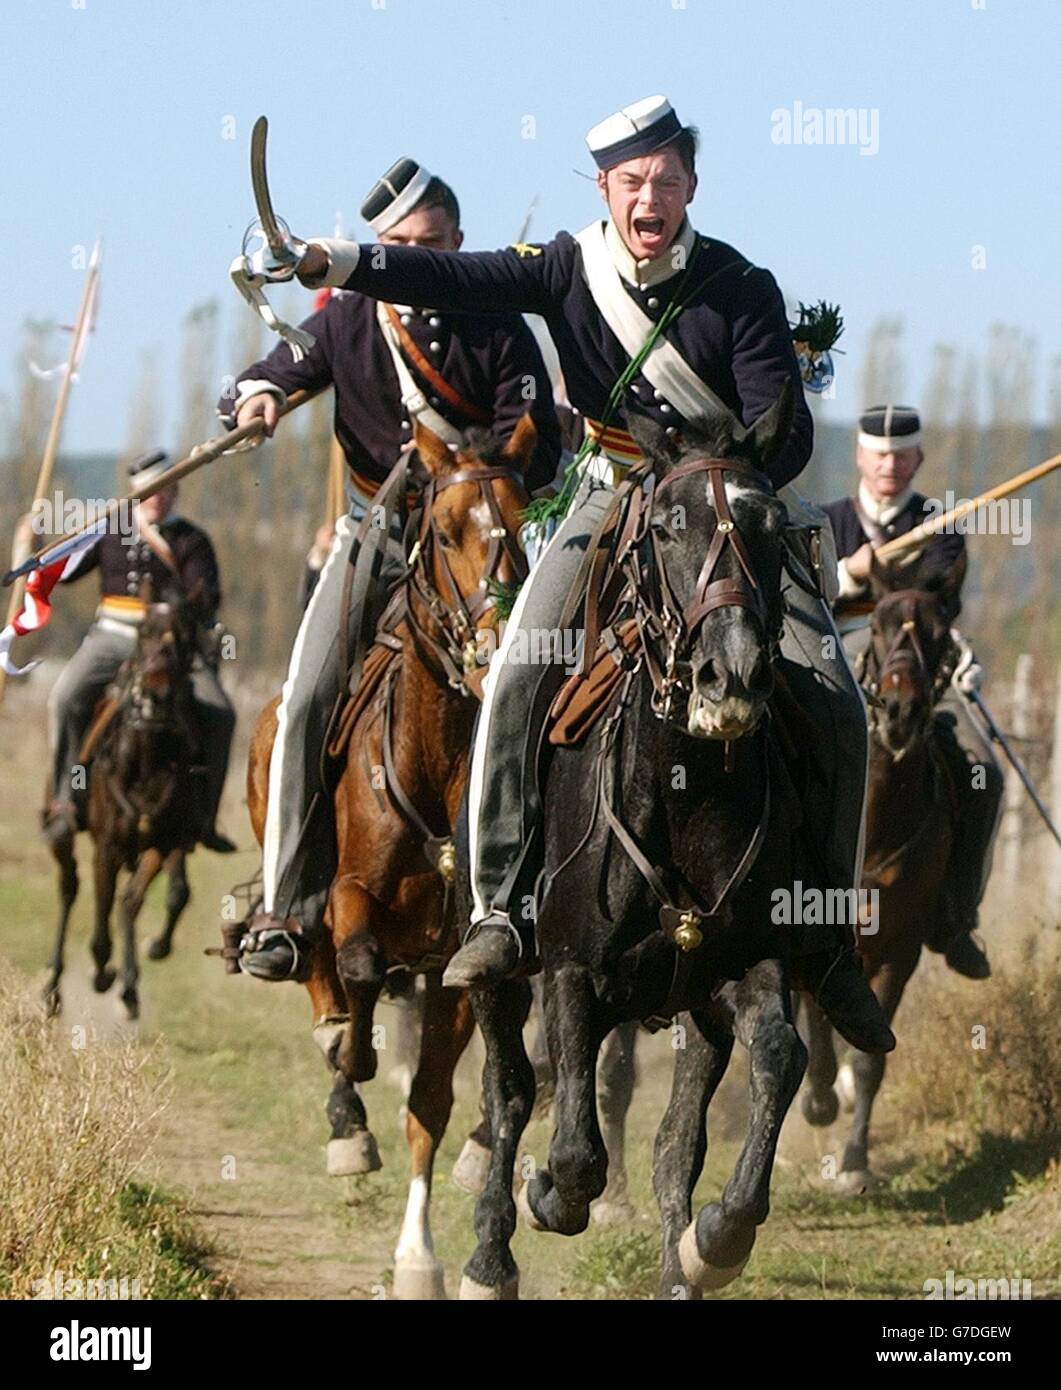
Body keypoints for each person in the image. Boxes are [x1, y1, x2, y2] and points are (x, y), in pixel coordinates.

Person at [236, 95, 895, 1053]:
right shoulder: (562, 268)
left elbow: (782, 437)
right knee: (514, 677)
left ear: (691, 188)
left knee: (837, 698)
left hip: (719, 508)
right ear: (605, 189)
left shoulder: (742, 288)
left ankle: (826, 942)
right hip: (605, 493)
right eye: (632, 182)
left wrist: (711, 462)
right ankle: (502, 908)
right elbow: (448, 274)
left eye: (667, 180)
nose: (649, 198)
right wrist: (337, 263)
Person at [227, 158, 562, 981]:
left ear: (456, 241)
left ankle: (547, 894)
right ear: (380, 246)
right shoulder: (349, 318)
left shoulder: (497, 321)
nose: (415, 254)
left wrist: (475, 476)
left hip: (478, 540)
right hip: (377, 532)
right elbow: (278, 370)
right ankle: (284, 908)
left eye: (431, 242)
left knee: (560, 686)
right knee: (305, 695)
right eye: (400, 243)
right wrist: (254, 400)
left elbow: (536, 435)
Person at [824, 404, 1003, 978]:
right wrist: (848, 574)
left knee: (983, 770)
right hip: (839, 672)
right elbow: (806, 593)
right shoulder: (826, 525)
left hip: (926, 676)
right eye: (878, 454)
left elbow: (939, 603)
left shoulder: (943, 526)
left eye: (902, 455)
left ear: (918, 458)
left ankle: (954, 917)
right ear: (859, 456)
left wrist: (888, 582)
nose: (889, 466)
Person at [44, 451, 236, 851]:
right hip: (112, 637)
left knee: (221, 714)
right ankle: (67, 797)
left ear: (175, 491)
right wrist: (36, 547)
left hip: (170, 645)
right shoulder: (109, 530)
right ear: (135, 493)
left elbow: (208, 598)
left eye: (166, 490)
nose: (158, 498)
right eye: (150, 491)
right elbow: (62, 573)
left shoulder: (191, 540)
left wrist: (176, 611)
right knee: (65, 698)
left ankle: (205, 817)